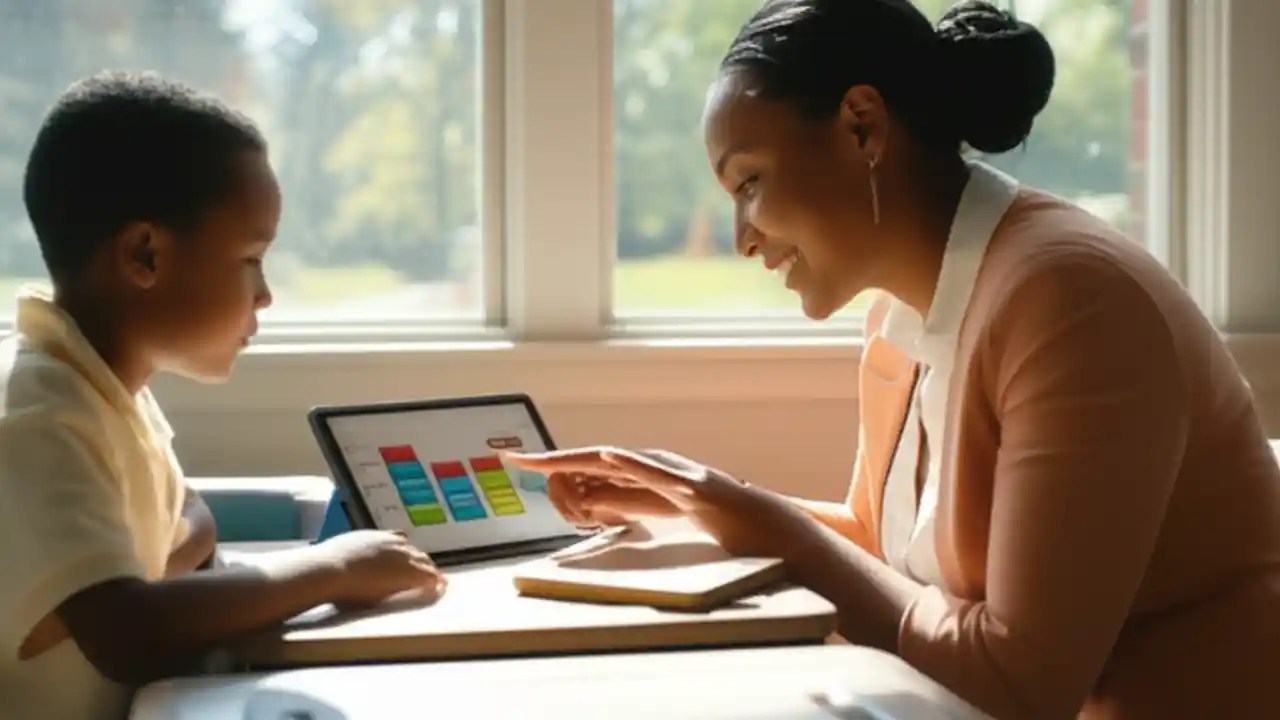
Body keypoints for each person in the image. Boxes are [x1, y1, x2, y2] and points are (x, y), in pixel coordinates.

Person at [506, 1, 1280, 718]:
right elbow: (883, 549)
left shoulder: (1073, 301)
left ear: (863, 128)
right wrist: (697, 504)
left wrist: (775, 531)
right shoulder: (900, 313)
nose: (742, 236)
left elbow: (1020, 687)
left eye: (750, 182)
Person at [0, 72, 445, 720]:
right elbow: (125, 630)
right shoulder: (41, 416)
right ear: (145, 254)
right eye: (251, 259)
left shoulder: (111, 393)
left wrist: (170, 563)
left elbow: (196, 527)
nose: (264, 294)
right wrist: (333, 570)